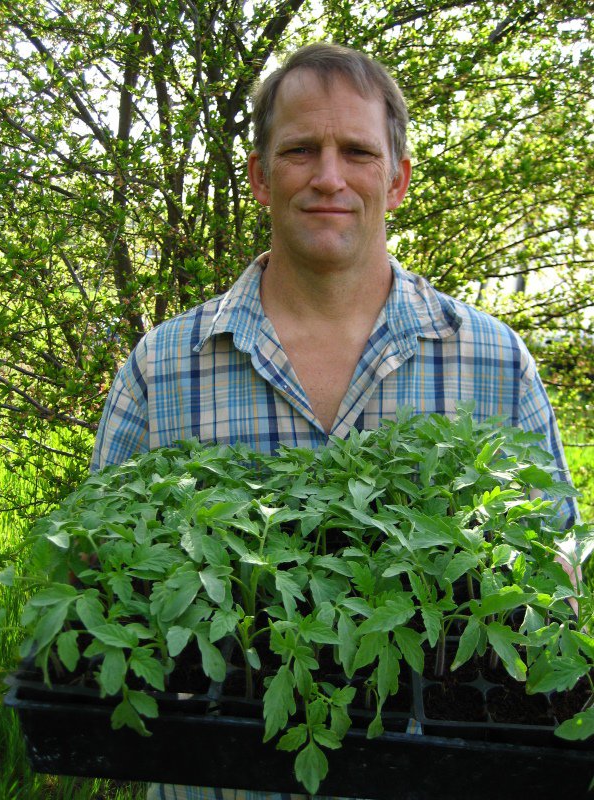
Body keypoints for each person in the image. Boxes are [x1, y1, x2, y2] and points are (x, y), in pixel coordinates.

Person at [92, 42, 577, 800]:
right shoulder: (163, 368)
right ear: (258, 176)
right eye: (299, 151)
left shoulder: (494, 360)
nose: (328, 177)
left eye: (356, 151)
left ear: (398, 178)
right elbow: (101, 581)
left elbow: (557, 589)